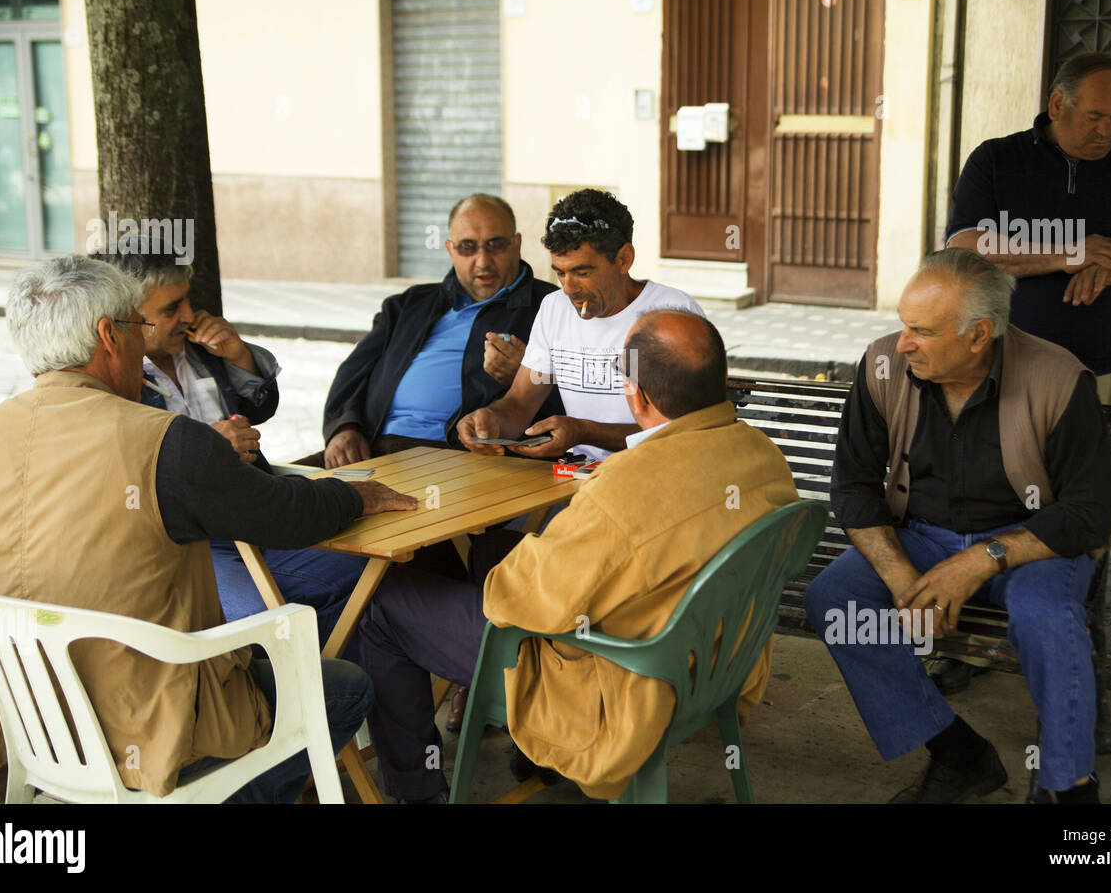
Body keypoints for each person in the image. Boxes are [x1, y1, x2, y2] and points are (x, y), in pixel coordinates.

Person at [0, 256, 416, 804]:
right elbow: (284, 516)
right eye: (138, 327)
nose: (145, 345)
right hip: (146, 727)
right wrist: (352, 492)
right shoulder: (167, 440)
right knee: (341, 688)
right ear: (107, 336)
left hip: (24, 719)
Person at [354, 310, 798, 802]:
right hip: (714, 663)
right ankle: (533, 754)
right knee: (492, 546)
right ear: (721, 379)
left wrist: (512, 571)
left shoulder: (628, 486)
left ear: (639, 397)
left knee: (386, 605)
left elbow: (517, 602)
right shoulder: (763, 454)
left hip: (615, 688)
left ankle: (416, 791)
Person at [805, 248, 1111, 804]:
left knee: (1048, 617)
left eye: (921, 331)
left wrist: (981, 560)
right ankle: (959, 753)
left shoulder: (1057, 378)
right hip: (921, 535)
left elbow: (1088, 512)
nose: (903, 343)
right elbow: (853, 486)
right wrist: (903, 577)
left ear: (979, 335)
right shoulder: (884, 367)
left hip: (1030, 544)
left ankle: (1068, 790)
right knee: (836, 600)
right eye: (903, 325)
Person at [946, 51, 1111, 548]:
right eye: (1094, 116)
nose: (1108, 130)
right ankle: (998, 586)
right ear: (1056, 104)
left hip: (1108, 370)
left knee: (1095, 502)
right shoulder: (998, 160)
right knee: (1003, 492)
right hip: (1007, 368)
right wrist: (1069, 254)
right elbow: (964, 247)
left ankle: (1082, 597)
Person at [90, 245, 371, 655]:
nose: (189, 316)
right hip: (194, 543)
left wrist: (239, 355)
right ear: (127, 315)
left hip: (257, 514)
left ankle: (328, 680)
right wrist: (208, 448)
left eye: (187, 300)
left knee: (371, 579)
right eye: (171, 309)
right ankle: (300, 690)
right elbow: (128, 469)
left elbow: (260, 405)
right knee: (260, 632)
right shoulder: (116, 379)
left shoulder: (200, 349)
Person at [457, 188, 704, 463]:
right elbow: (520, 403)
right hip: (579, 477)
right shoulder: (554, 308)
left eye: (582, 273)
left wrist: (584, 431)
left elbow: (686, 430)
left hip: (658, 473)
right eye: (560, 273)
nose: (568, 288)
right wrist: (489, 419)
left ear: (624, 259)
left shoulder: (673, 313)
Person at [320, 193, 563, 468]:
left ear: (517, 244)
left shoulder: (550, 307)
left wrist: (526, 378)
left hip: (463, 458)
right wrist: (344, 428)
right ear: (450, 250)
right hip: (375, 448)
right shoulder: (409, 305)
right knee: (281, 494)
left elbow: (580, 402)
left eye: (495, 245)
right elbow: (353, 373)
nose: (482, 261)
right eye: (467, 247)